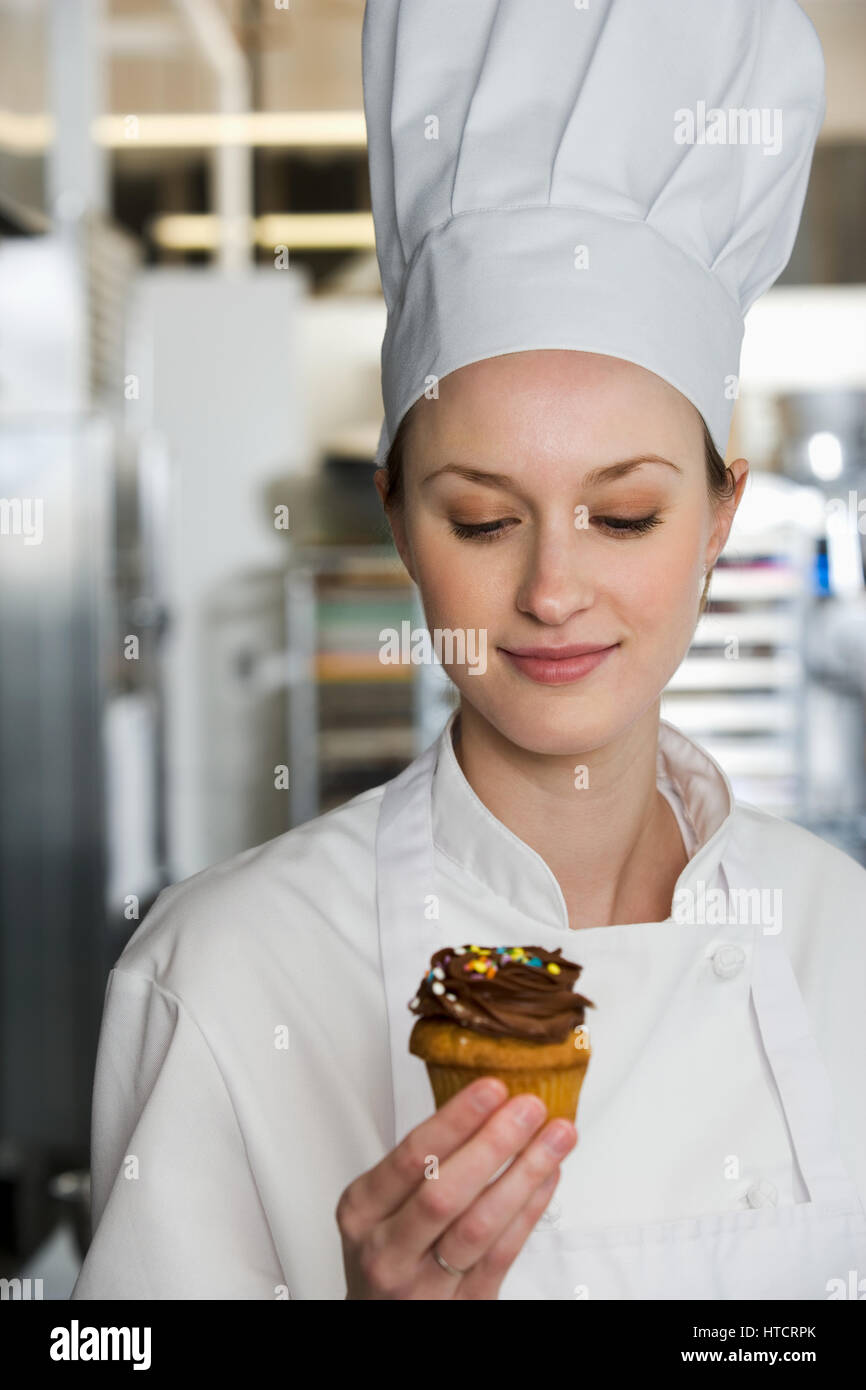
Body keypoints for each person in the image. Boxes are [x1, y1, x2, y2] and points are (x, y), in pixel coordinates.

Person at [72, 0, 866, 1300]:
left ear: (722, 514)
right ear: (395, 515)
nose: (553, 588)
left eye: (623, 515)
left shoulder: (834, 935)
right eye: (484, 516)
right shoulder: (217, 972)